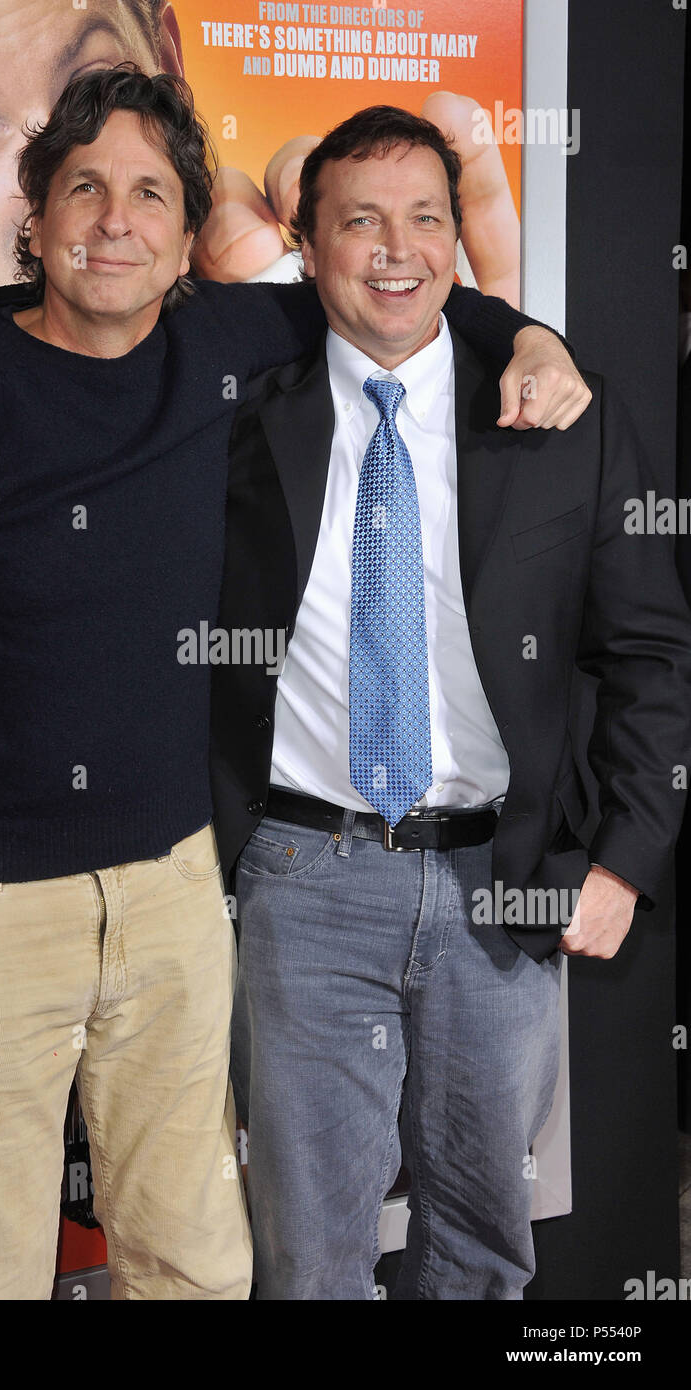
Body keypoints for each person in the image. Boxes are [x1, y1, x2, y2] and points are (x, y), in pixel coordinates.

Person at [0, 68, 590, 1302]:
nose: (115, 221)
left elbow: (399, 297)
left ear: (188, 238)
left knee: (197, 1270)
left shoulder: (231, 341)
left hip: (178, 899)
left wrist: (531, 333)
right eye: (85, 188)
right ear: (36, 209)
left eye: (148, 194)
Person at [209, 104, 691, 1300]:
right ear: (306, 244)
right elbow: (84, 314)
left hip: (504, 879)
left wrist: (624, 860)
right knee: (310, 1259)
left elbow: (649, 652)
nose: (395, 249)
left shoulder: (557, 415)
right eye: (359, 221)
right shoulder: (233, 406)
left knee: (482, 1246)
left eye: (426, 218)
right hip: (302, 881)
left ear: (456, 243)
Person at [0, 0, 524, 308]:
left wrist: (471, 345)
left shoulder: (279, 333)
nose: (56, 170)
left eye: (93, 87)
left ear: (166, 59)